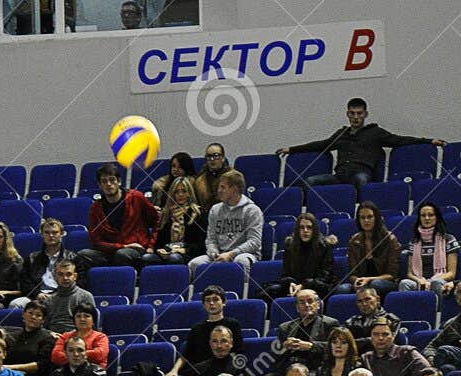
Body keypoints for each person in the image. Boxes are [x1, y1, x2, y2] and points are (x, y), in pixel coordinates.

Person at [276, 97, 443, 190]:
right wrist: (291, 149)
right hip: (340, 176)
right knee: (310, 181)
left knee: (361, 180)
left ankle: (360, 210)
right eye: (352, 113)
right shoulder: (342, 133)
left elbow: (400, 140)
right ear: (347, 114)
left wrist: (428, 141)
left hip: (362, 173)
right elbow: (321, 145)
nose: (356, 117)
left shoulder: (375, 132)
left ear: (365, 114)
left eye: (359, 113)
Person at [77, 162, 159, 271]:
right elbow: (96, 241)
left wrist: (151, 246)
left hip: (135, 248)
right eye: (104, 181)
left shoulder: (136, 197)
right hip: (110, 250)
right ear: (100, 185)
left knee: (122, 254)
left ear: (119, 181)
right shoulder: (95, 208)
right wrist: (121, 246)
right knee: (82, 255)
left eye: (112, 180)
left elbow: (157, 221)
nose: (108, 184)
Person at [188, 171, 263, 271]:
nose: (219, 191)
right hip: (220, 254)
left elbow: (254, 242)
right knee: (194, 264)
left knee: (241, 262)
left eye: (223, 187)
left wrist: (231, 254)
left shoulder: (252, 210)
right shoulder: (215, 209)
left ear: (235, 189)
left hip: (245, 254)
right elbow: (211, 239)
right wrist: (214, 253)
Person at [338, 201, 403, 296]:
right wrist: (357, 280)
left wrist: (369, 279)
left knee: (375, 284)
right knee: (342, 289)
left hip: (385, 282)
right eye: (362, 217)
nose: (366, 220)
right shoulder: (354, 240)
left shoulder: (389, 239)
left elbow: (392, 274)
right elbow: (352, 273)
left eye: (370, 217)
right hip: (363, 282)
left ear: (376, 218)